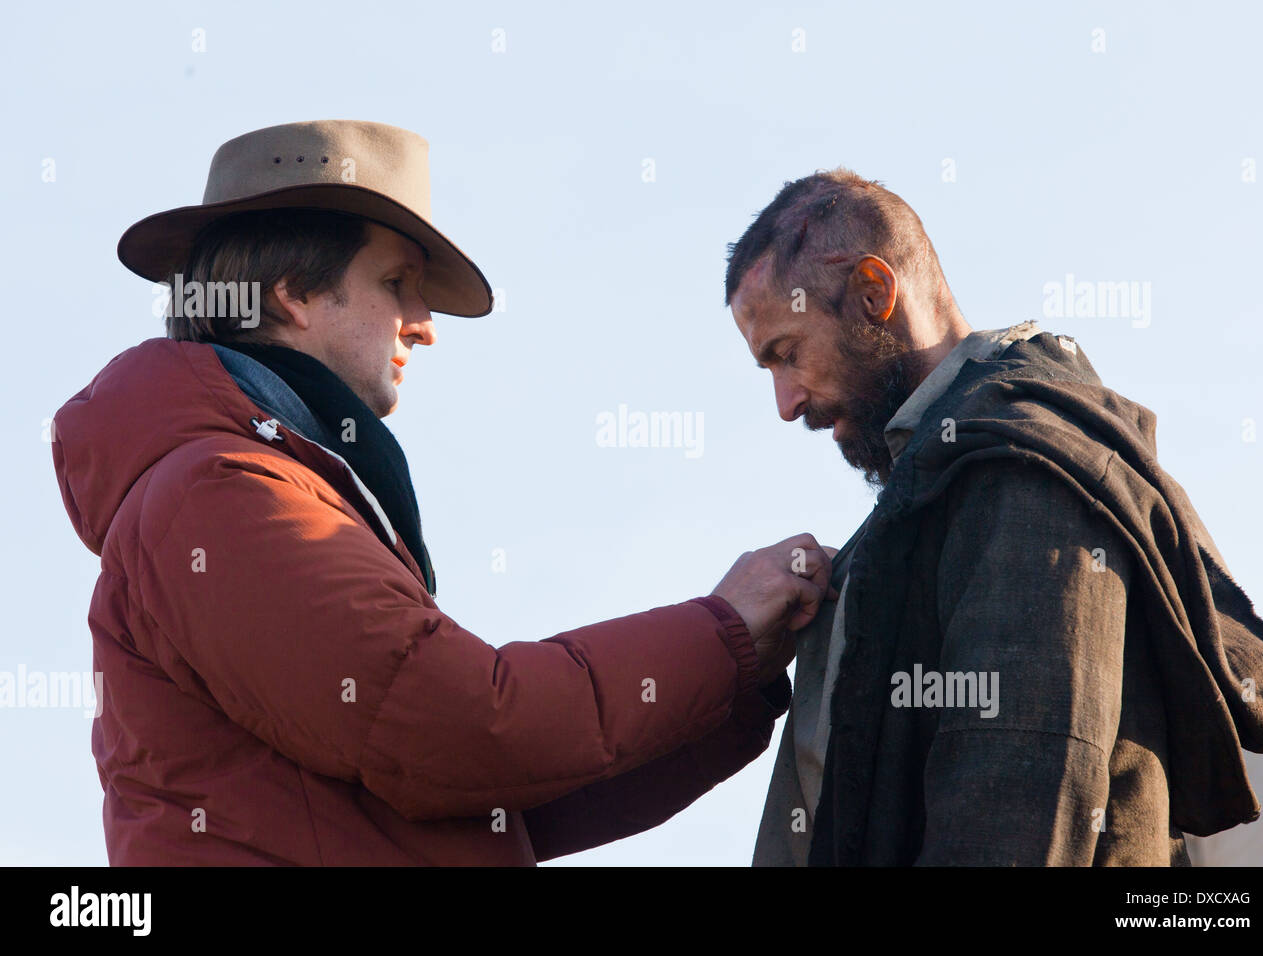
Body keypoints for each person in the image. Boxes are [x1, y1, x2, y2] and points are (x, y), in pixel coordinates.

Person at [50, 119, 834, 865]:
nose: (423, 324)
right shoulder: (218, 493)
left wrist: (734, 677)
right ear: (293, 293)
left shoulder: (264, 486)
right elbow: (461, 730)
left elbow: (498, 801)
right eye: (397, 283)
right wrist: (720, 631)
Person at [730, 168, 1263, 866]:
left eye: (787, 354)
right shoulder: (945, 488)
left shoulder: (1023, 472)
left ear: (875, 292)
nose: (785, 404)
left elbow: (1023, 801)